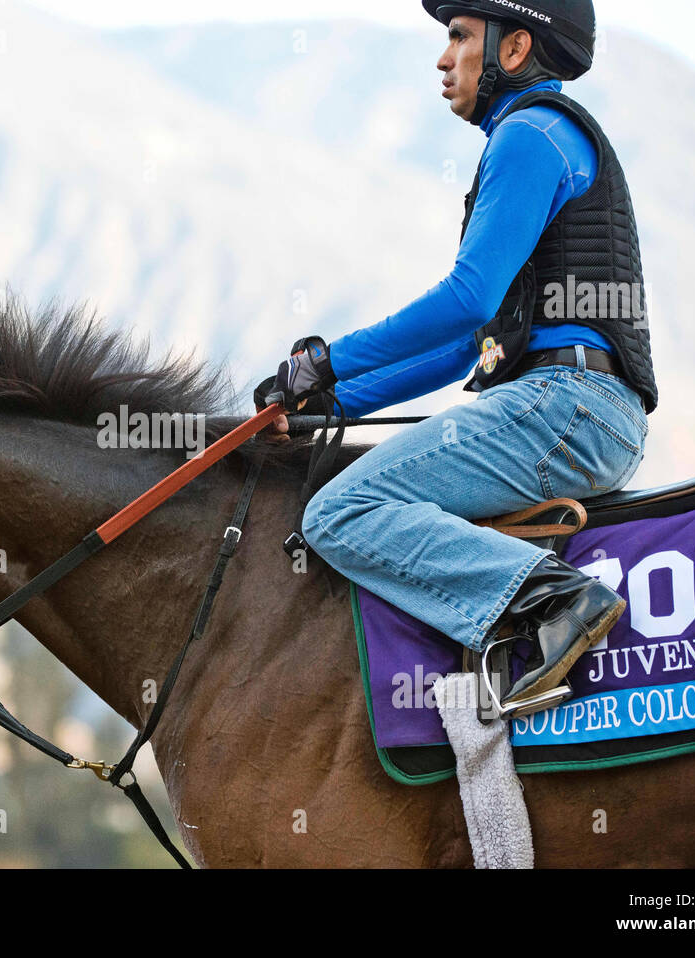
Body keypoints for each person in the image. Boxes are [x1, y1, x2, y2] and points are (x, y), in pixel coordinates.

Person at [256, 0, 656, 716]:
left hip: (565, 407)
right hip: (579, 411)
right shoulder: (538, 137)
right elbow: (473, 346)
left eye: (460, 38)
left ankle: (551, 600)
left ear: (514, 48)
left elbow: (467, 299)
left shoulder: (530, 136)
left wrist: (323, 361)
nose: (444, 60)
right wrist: (339, 403)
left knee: (340, 512)